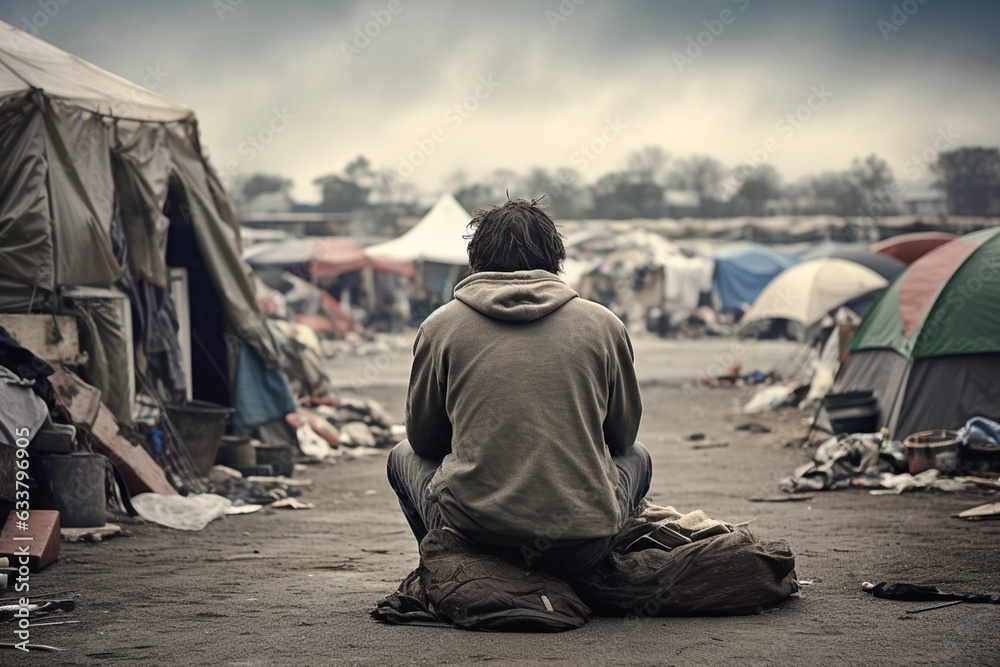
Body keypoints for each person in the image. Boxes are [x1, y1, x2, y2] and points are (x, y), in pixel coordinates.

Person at [387, 198, 650, 573]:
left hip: (479, 542)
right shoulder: (603, 325)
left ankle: (454, 570)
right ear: (556, 258)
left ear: (476, 259)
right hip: (580, 547)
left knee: (401, 456)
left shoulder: (440, 327)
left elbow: (423, 442)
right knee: (638, 455)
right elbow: (622, 439)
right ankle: (587, 575)